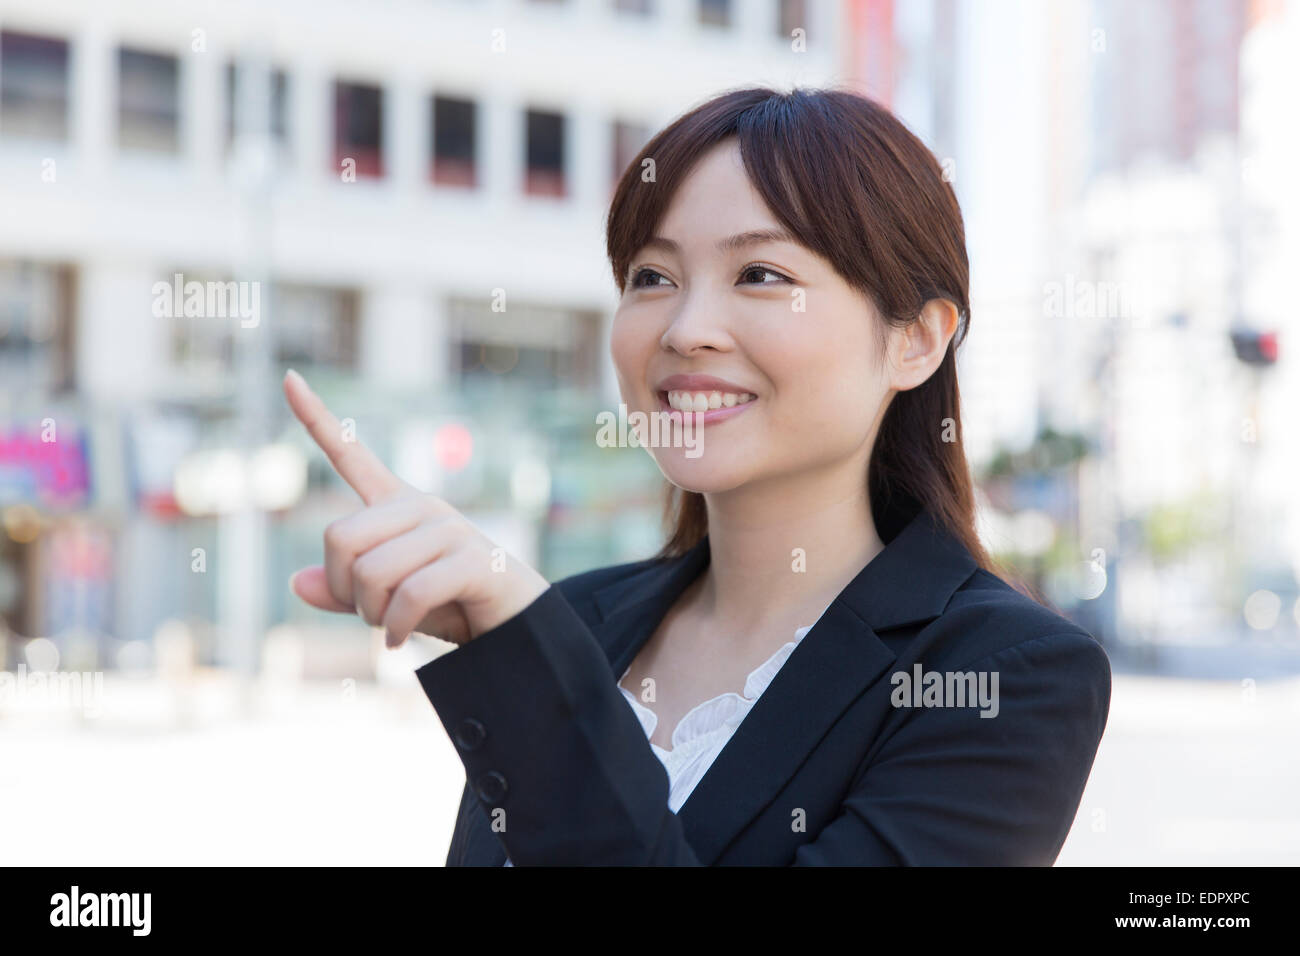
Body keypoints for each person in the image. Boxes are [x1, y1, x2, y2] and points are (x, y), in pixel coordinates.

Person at [285, 86, 1112, 866]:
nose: (686, 330)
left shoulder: (1008, 673)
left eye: (761, 275)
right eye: (653, 277)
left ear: (917, 340)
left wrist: (532, 678)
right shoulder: (579, 620)